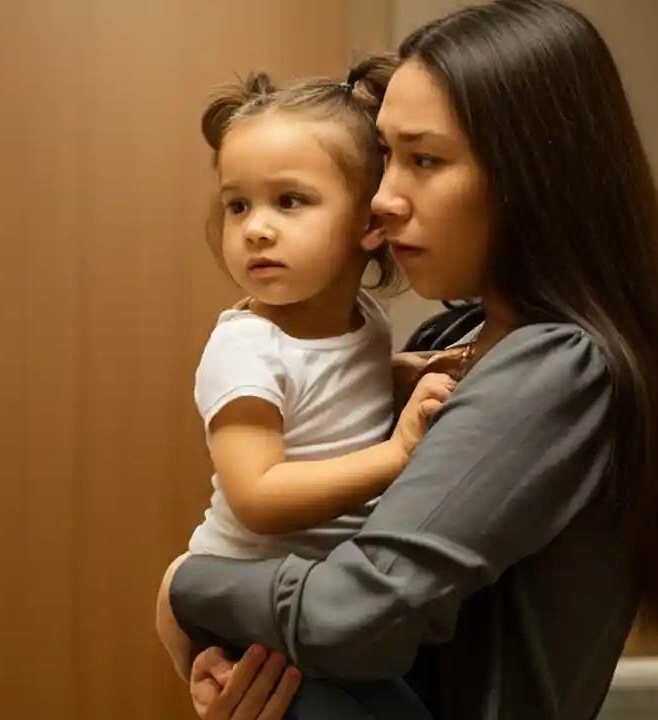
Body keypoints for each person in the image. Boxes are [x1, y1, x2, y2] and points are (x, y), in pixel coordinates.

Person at [166, 1, 658, 718]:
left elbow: (356, 614)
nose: (384, 198)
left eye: (424, 160)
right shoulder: (448, 340)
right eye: (385, 157)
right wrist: (248, 674)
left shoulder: (559, 366)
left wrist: (186, 586)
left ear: (530, 173)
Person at [153, 57, 451, 718]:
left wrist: (417, 369)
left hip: (313, 595)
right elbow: (257, 496)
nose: (256, 226)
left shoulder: (365, 322)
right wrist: (396, 457)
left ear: (370, 222)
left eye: (289, 201)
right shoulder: (245, 348)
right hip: (243, 600)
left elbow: (342, 387)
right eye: (238, 205)